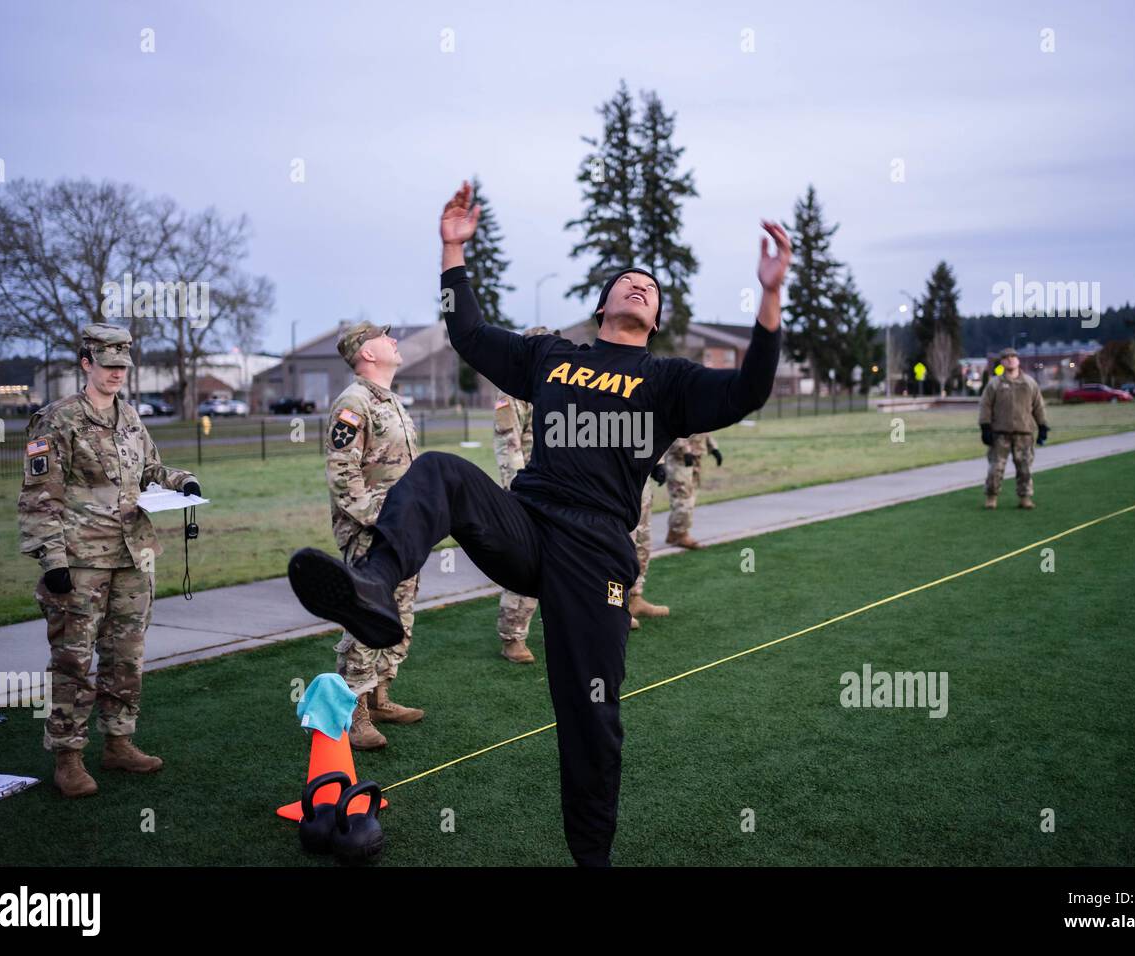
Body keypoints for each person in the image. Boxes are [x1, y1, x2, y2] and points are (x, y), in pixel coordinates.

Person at [287, 180, 791, 866]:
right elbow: (467, 332)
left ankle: (592, 859)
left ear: (655, 317)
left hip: (595, 553)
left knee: (590, 714)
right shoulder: (553, 357)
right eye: (628, 281)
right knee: (438, 471)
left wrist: (769, 295)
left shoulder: (667, 380)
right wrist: (452, 251)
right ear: (604, 304)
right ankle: (373, 587)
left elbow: (749, 389)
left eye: (651, 288)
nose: (640, 286)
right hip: (526, 523)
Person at [18, 323, 200, 798]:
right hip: (80, 560)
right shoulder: (57, 420)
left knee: (126, 656)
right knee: (73, 659)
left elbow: (149, 469)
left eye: (123, 366)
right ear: (86, 363)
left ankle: (119, 742)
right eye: (108, 365)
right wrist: (52, 558)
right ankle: (68, 757)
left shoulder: (131, 416)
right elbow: (39, 496)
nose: (117, 373)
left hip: (133, 555)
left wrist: (180, 480)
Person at [325, 320, 425, 750]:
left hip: (403, 530)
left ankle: (381, 695)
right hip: (371, 534)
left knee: (399, 615)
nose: (393, 340)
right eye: (384, 337)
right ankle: (355, 712)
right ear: (366, 353)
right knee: (368, 616)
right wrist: (375, 520)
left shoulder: (391, 400)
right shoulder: (353, 403)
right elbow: (342, 472)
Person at [492, 326, 550, 663]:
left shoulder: (553, 385)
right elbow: (507, 443)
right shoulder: (511, 390)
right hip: (527, 489)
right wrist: (517, 492)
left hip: (557, 487)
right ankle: (512, 636)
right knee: (527, 561)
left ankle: (559, 623)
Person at [979, 346, 1049, 509]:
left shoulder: (1029, 383)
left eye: (1013, 357)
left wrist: (1042, 426)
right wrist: (985, 427)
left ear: (1018, 360)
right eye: (1006, 357)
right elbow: (985, 406)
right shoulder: (994, 384)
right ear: (1002, 362)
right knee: (995, 468)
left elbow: (1038, 406)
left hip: (1024, 433)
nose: (1010, 359)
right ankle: (991, 497)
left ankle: (1025, 497)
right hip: (1000, 434)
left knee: (1025, 468)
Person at [628, 458, 670, 626]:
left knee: (642, 539)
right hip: (617, 475)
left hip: (640, 474)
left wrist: (658, 462)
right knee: (622, 546)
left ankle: (635, 598)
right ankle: (614, 605)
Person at [664, 432, 722, 549]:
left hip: (694, 456)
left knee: (690, 495)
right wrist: (684, 450)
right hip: (679, 458)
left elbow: (703, 427)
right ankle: (681, 534)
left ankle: (674, 533)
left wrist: (713, 447)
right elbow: (675, 428)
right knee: (683, 497)